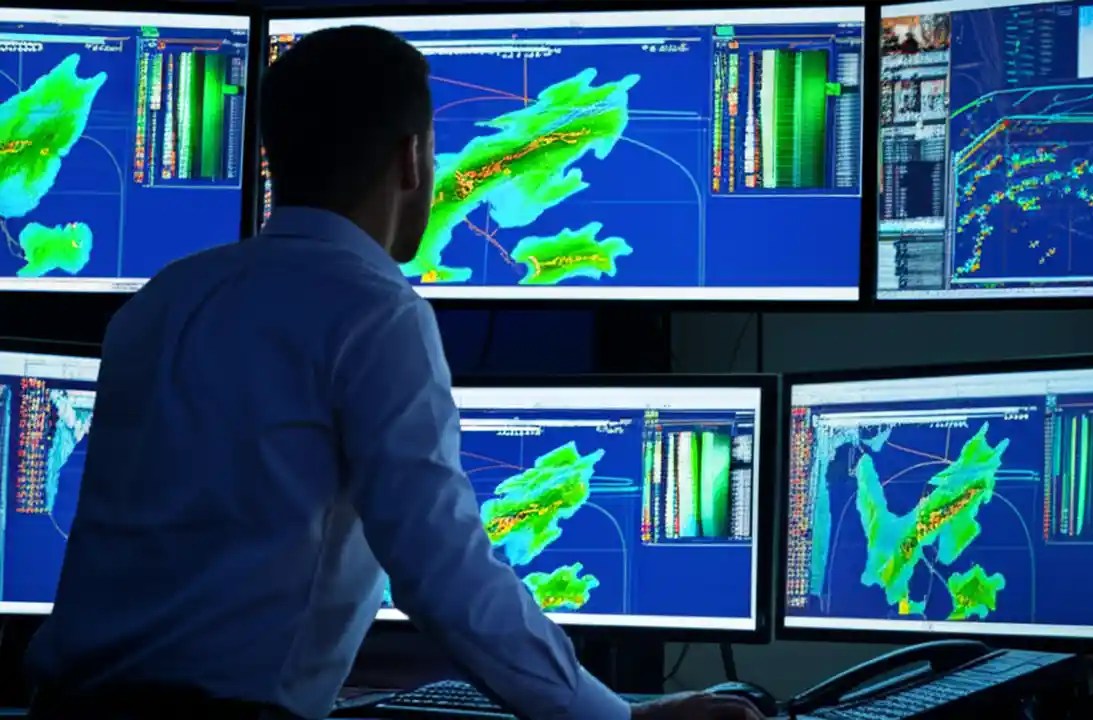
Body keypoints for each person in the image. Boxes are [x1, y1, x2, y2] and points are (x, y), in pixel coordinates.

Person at [24, 25, 766, 720]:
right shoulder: (373, 310)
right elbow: (441, 570)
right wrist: (616, 717)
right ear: (412, 158)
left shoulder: (164, 298)